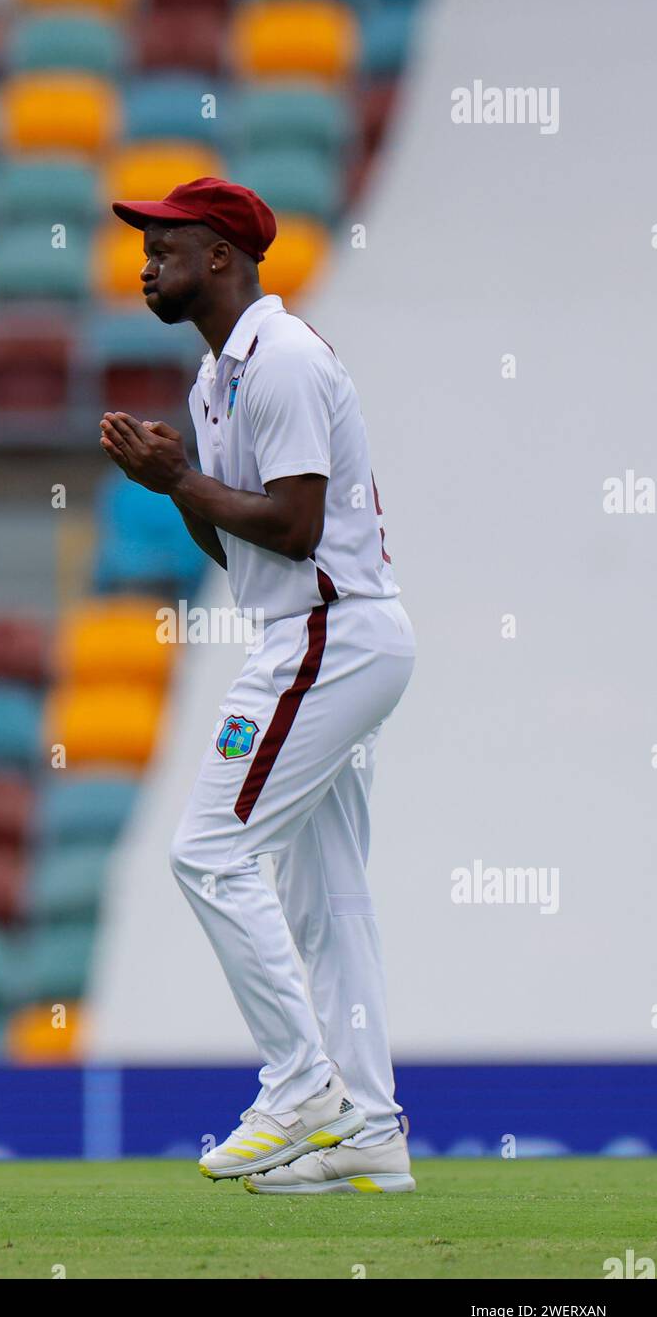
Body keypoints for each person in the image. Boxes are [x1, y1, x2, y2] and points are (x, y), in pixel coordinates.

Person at [100, 178, 417, 1195]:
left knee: (207, 850)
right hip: (314, 631)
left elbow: (294, 528)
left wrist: (179, 481)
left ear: (223, 257)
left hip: (329, 632)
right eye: (146, 245)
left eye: (166, 244)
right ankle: (369, 1125)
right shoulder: (213, 383)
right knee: (324, 897)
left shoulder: (279, 360)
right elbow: (240, 552)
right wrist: (181, 476)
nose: (147, 259)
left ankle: (300, 1085)